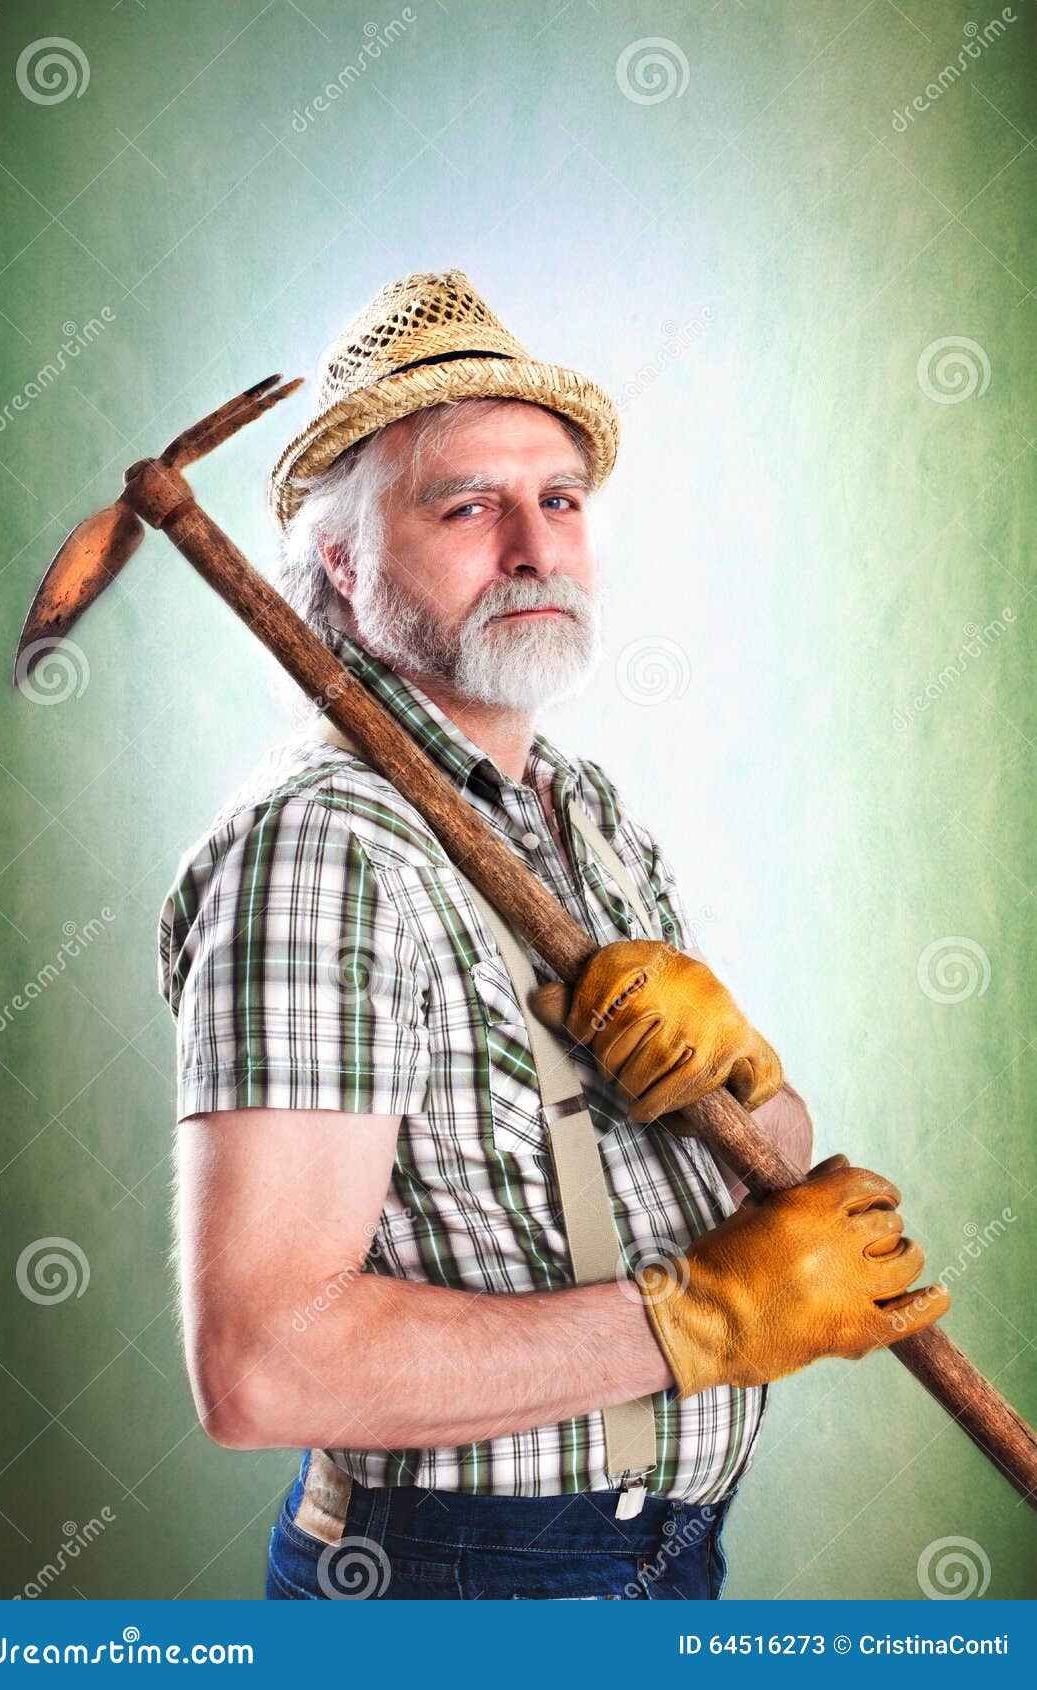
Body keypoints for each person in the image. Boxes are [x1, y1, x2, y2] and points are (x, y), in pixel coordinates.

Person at [157, 270, 948, 1601]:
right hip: (458, 1584)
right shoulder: (319, 854)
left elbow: (744, 1177)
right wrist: (704, 1318)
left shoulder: (575, 806)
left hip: (668, 1556)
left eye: (559, 499)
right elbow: (262, 1366)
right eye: (468, 503)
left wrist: (749, 1077)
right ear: (343, 565)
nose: (532, 544)